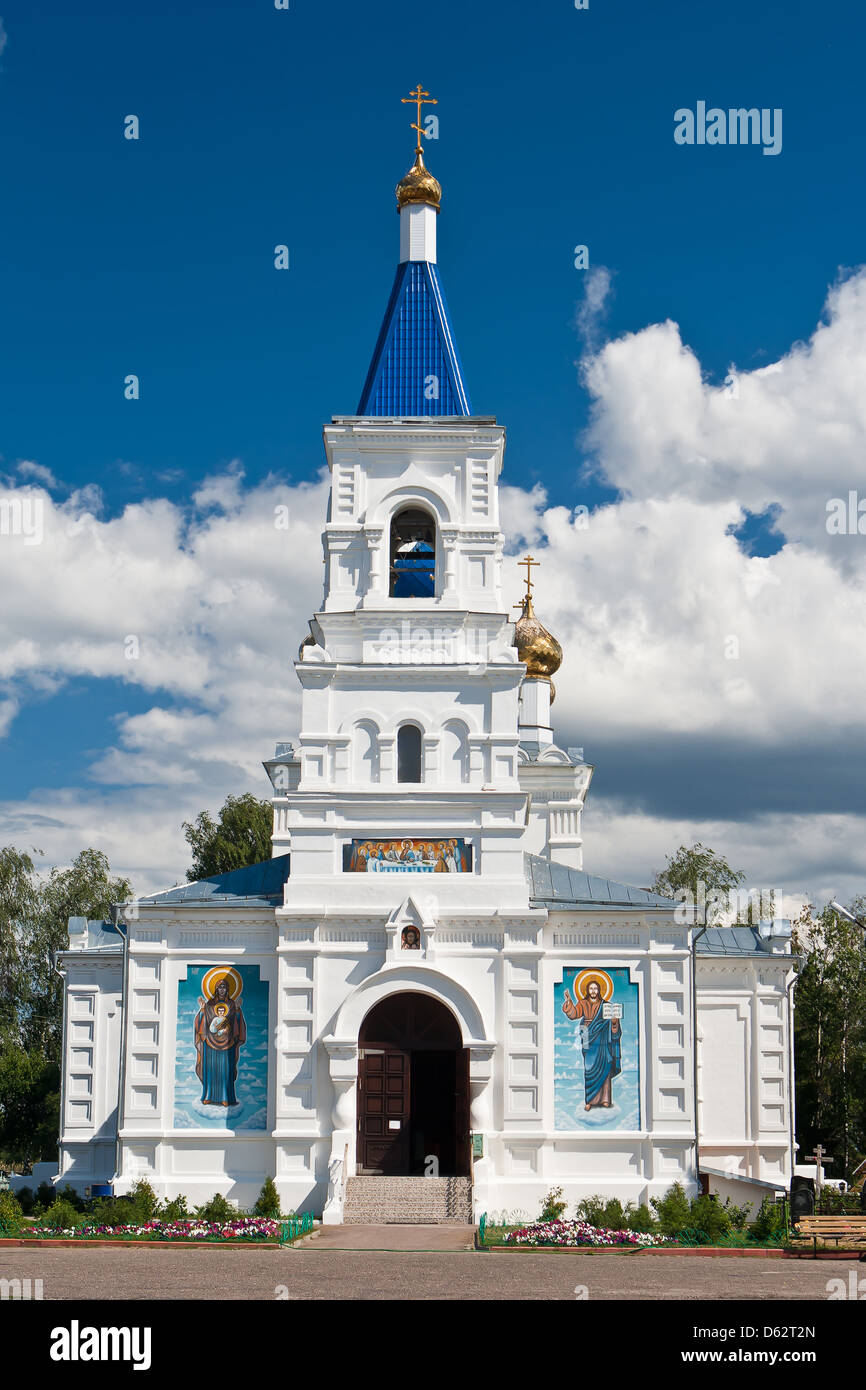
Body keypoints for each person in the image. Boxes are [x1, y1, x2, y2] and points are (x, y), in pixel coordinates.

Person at [562, 978, 621, 1110]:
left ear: (599, 990)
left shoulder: (606, 1005)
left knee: (605, 1067)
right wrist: (569, 1002)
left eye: (595, 989)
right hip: (588, 1038)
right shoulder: (583, 1003)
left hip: (604, 1041)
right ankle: (590, 1100)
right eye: (591, 989)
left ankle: (605, 1099)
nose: (593, 991)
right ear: (587, 990)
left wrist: (614, 1022)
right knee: (589, 1069)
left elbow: (614, 1027)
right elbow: (574, 1014)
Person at [194, 976, 246, 1107]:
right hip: (210, 1045)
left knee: (225, 1071)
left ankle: (226, 1097)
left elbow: (236, 1023)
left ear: (228, 989)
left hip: (228, 1045)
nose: (222, 990)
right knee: (211, 1070)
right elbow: (202, 1021)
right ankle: (208, 1096)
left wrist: (238, 1010)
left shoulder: (232, 1005)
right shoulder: (209, 1004)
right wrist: (202, 1009)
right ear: (216, 989)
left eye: (224, 987)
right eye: (219, 987)